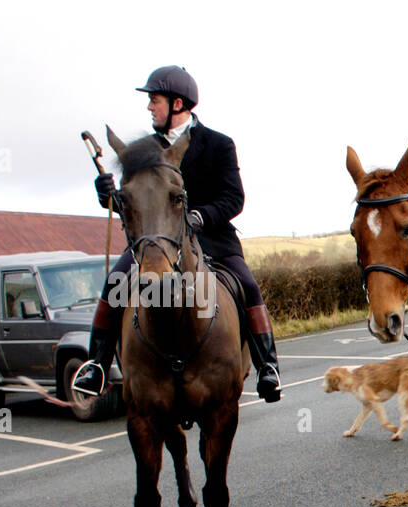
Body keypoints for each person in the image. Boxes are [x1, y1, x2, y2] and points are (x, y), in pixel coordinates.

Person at [73, 66, 281, 403]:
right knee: (114, 282)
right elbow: (130, 203)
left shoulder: (218, 144)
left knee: (247, 284)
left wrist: (199, 216)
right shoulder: (143, 151)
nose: (150, 107)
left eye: (154, 100)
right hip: (156, 242)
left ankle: (267, 365)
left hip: (211, 237)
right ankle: (96, 364)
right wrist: (106, 194)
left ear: (178, 103)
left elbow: (233, 198)